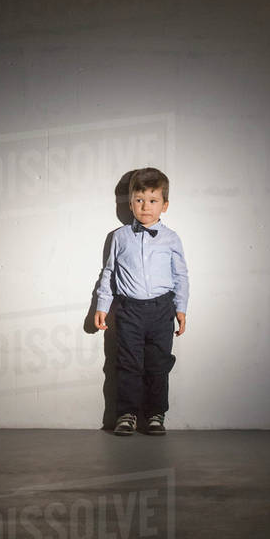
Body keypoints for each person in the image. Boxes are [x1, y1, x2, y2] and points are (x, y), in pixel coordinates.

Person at [94, 167, 189, 435]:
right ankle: (127, 414)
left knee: (158, 364)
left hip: (161, 309)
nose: (145, 206)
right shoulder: (119, 237)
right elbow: (109, 273)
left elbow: (181, 275)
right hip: (128, 310)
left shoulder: (171, 239)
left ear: (164, 205)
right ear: (129, 202)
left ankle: (156, 414)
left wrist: (181, 308)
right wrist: (102, 306)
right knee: (128, 363)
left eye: (152, 200)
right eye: (138, 199)